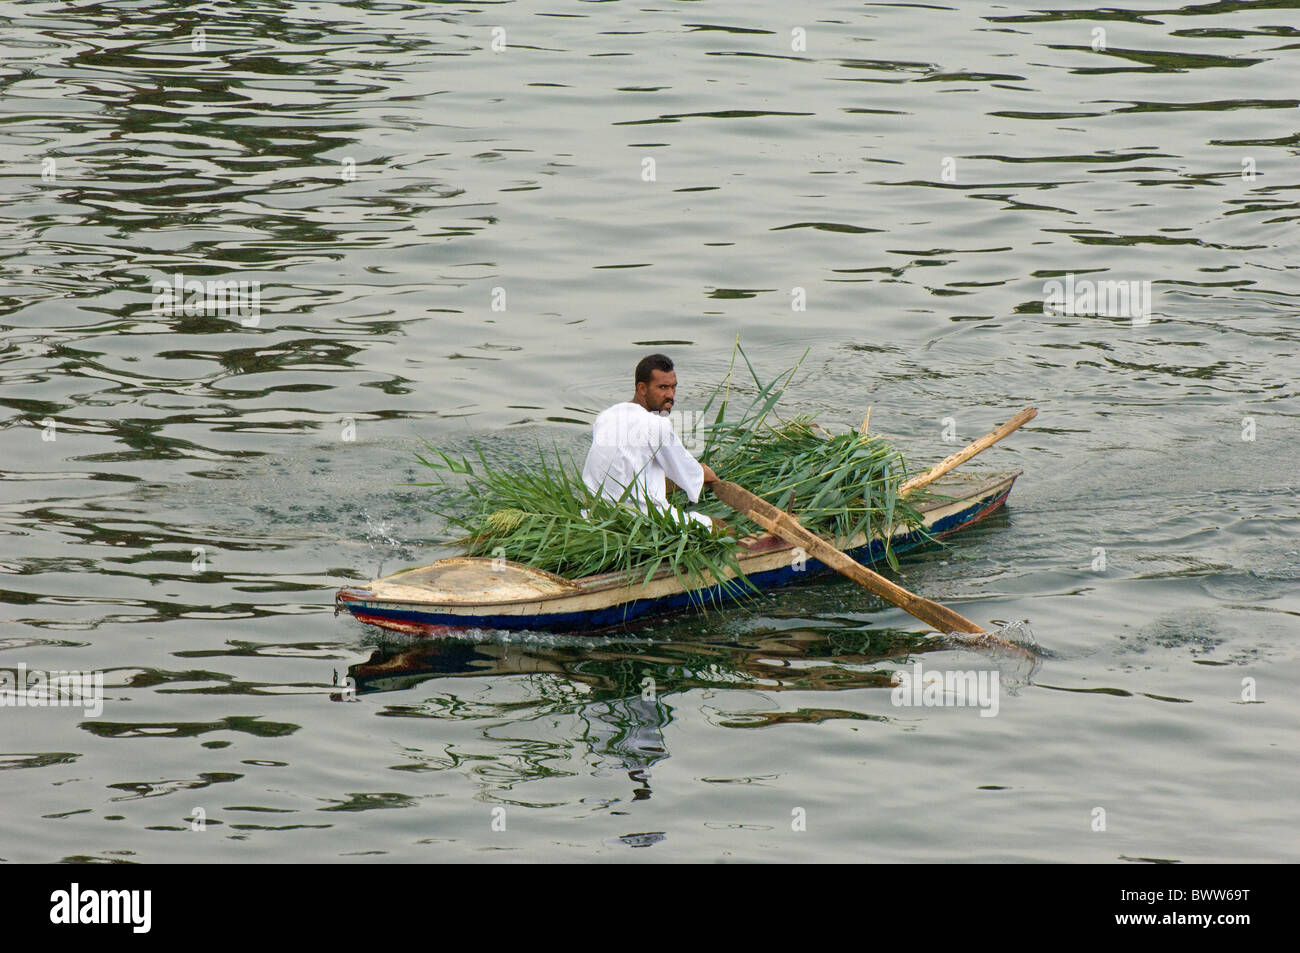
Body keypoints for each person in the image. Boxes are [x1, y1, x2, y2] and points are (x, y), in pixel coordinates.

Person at [582, 353, 723, 531]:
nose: (670, 395)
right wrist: (703, 473)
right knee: (720, 526)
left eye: (673, 387)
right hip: (638, 521)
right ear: (642, 388)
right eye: (662, 387)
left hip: (596, 514)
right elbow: (689, 473)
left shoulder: (606, 416)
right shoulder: (657, 424)